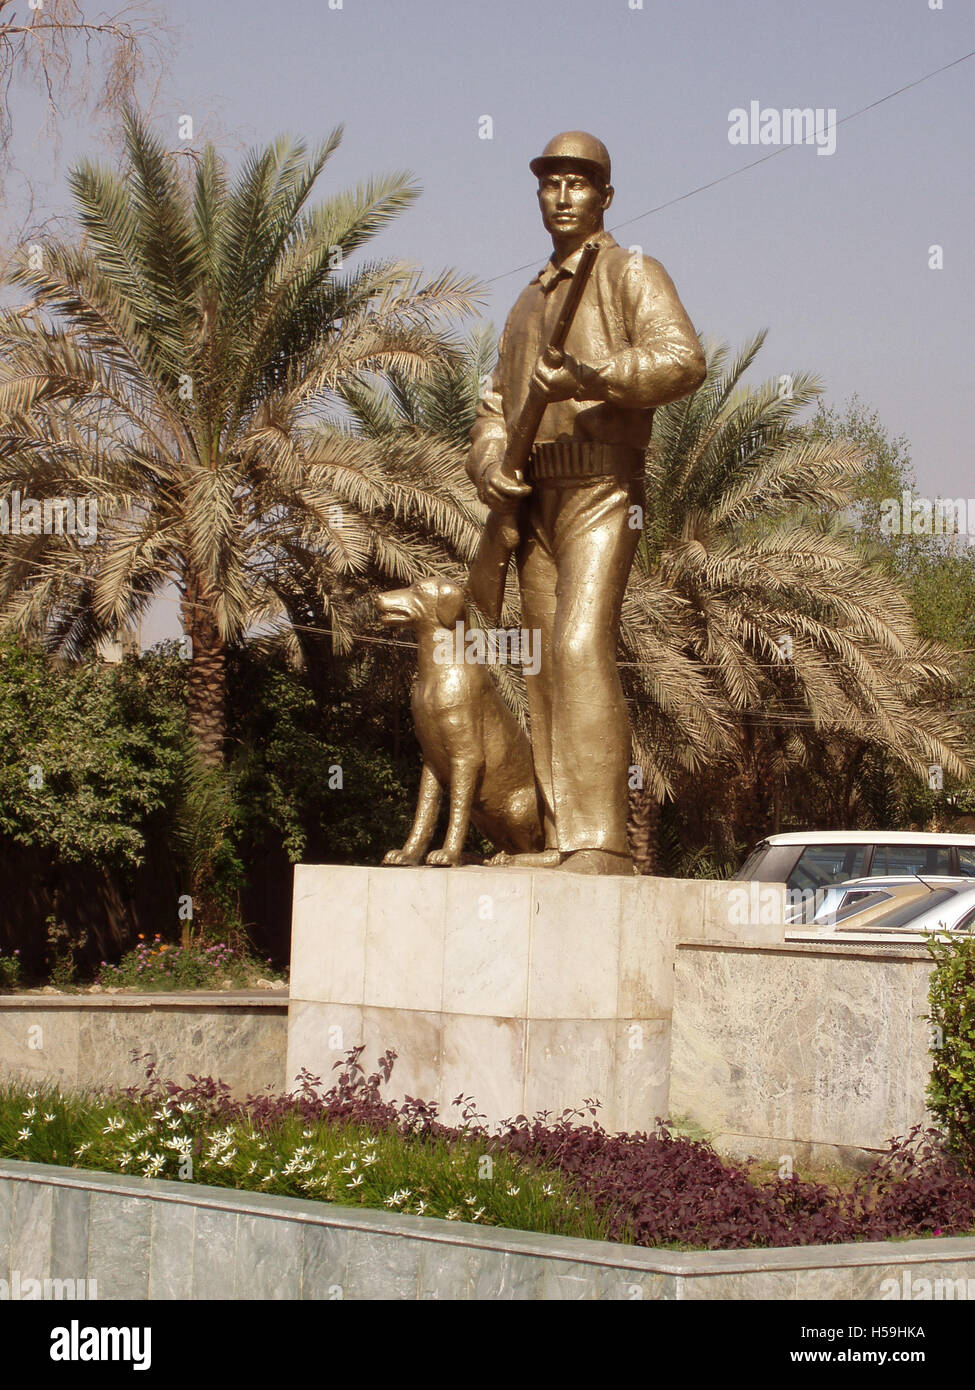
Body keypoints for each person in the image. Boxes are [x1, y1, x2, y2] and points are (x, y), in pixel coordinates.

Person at [466, 131, 706, 875]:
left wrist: (591, 377)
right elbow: (492, 410)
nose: (562, 196)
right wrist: (488, 470)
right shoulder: (523, 304)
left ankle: (600, 842)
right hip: (535, 497)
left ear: (604, 195)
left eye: (578, 183)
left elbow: (680, 359)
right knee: (539, 659)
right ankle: (554, 838)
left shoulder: (631, 271)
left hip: (604, 488)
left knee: (578, 645)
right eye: (550, 184)